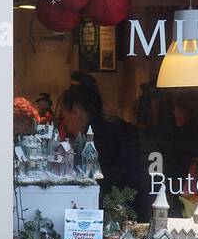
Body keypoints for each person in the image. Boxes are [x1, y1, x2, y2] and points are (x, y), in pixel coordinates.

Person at [59, 72, 153, 222]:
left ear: (76, 111)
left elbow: (106, 183)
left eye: (65, 117)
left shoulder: (98, 139)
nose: (65, 124)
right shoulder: (115, 128)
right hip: (140, 201)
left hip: (129, 210)